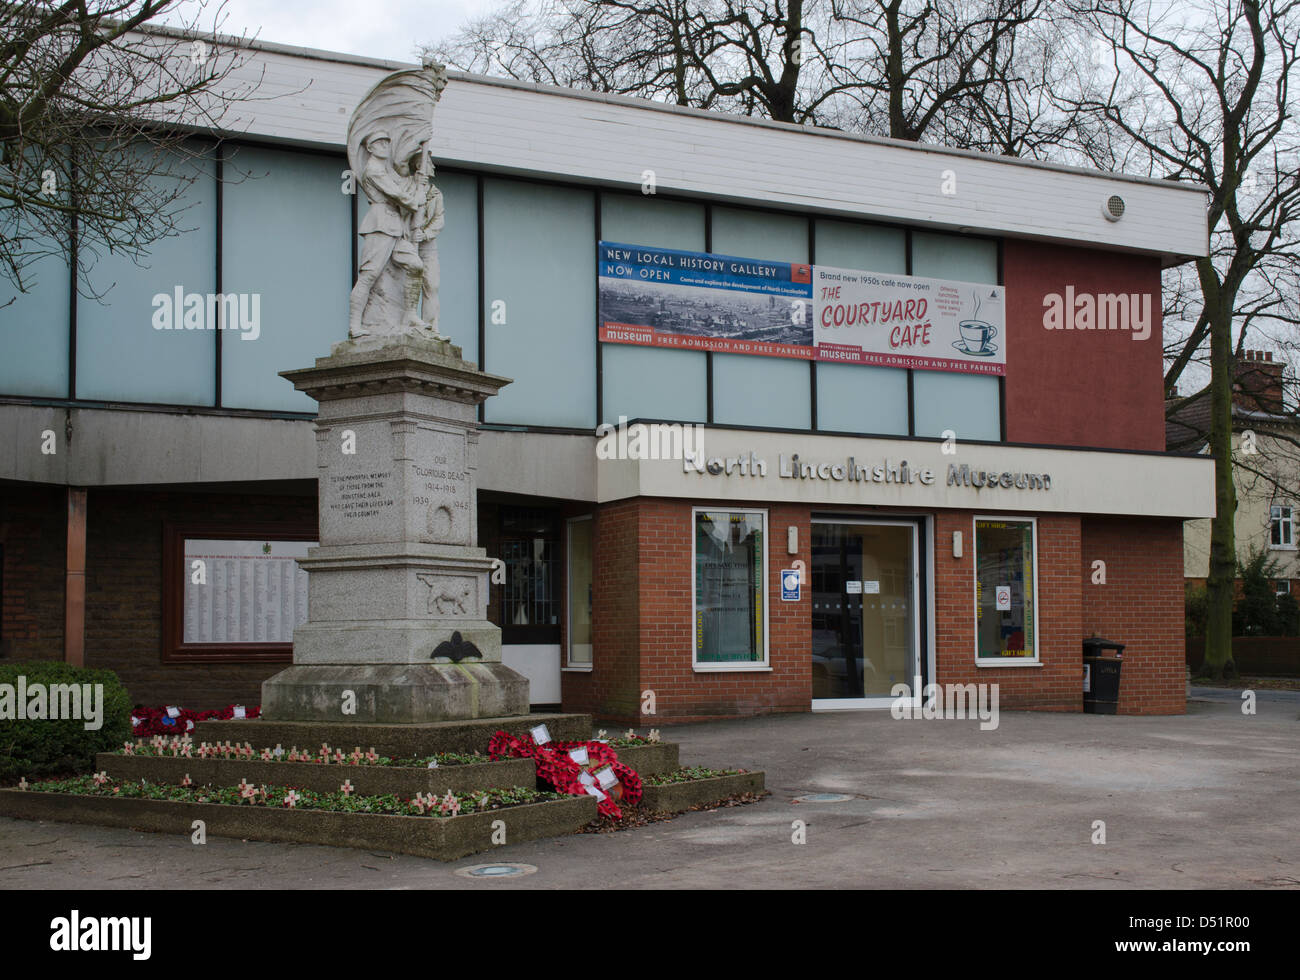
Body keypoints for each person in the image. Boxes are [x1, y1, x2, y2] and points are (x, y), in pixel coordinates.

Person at [348, 131, 425, 337]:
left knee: (416, 266)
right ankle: (355, 325)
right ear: (370, 147)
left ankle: (409, 313)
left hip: (395, 226)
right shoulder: (373, 170)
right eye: (379, 143)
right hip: (379, 224)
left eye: (386, 142)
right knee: (369, 275)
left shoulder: (385, 170)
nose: (384, 145)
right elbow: (399, 196)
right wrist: (417, 196)